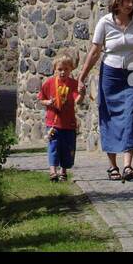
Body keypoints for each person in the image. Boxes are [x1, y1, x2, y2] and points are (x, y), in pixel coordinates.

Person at [77, 0, 133, 181]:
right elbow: (95, 52)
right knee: (109, 115)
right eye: (126, 1)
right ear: (117, 2)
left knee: (132, 113)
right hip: (111, 72)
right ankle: (112, 166)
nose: (130, 4)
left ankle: (128, 165)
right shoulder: (105, 22)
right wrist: (82, 77)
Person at [38, 51, 82, 182]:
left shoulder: (73, 84)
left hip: (69, 123)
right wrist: (48, 102)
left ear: (71, 70)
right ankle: (53, 170)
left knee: (67, 148)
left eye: (66, 69)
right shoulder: (49, 83)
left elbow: (77, 101)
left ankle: (63, 171)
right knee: (53, 146)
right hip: (53, 122)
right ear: (55, 69)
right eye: (60, 69)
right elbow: (41, 98)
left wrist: (83, 94)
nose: (63, 72)